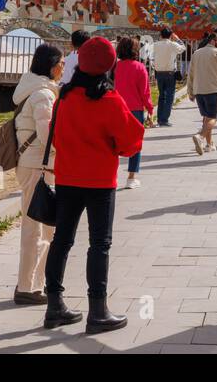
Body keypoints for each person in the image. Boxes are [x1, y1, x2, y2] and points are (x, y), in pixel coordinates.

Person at [41, 36, 144, 332]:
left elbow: (56, 135)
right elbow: (129, 144)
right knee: (99, 244)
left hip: (68, 178)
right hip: (100, 181)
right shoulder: (111, 101)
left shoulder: (65, 97)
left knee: (61, 239)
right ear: (109, 67)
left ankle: (54, 306)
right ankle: (97, 310)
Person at [11, 43, 63, 305]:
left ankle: (30, 283)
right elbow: (47, 136)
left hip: (31, 164)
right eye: (61, 63)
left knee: (38, 227)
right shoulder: (43, 95)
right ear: (52, 66)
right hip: (38, 167)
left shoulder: (32, 89)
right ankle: (28, 287)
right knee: (38, 229)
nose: (63, 68)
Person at [113, 36, 152, 189]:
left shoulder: (116, 67)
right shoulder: (140, 67)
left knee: (115, 143)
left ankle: (113, 174)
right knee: (136, 143)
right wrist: (150, 109)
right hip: (135, 110)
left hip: (117, 108)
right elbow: (145, 92)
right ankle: (131, 177)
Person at [187, 30, 217, 155]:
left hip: (199, 90)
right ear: (213, 41)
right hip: (213, 90)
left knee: (206, 117)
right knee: (212, 118)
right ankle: (200, 136)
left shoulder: (197, 53)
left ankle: (209, 144)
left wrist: (190, 91)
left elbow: (191, 74)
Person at [150, 27, 184, 127]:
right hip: (170, 73)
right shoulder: (173, 44)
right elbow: (183, 48)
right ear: (170, 36)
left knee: (161, 96)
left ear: (160, 35)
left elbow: (149, 55)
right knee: (170, 96)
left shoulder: (155, 45)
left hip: (159, 73)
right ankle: (164, 119)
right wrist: (177, 39)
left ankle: (160, 118)